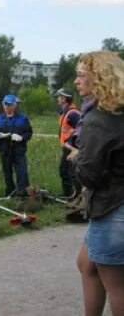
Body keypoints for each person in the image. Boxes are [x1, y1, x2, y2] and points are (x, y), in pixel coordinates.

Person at [69, 51, 124, 316]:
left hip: (113, 207)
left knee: (117, 286)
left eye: (81, 75)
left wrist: (77, 157)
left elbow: (89, 176)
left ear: (99, 78)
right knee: (86, 264)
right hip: (117, 203)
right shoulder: (119, 111)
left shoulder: (97, 119)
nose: (76, 81)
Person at [0, 94, 33, 197]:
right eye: (5, 104)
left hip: (19, 151)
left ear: (15, 105)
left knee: (22, 173)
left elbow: (29, 132)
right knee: (7, 173)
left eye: (9, 104)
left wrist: (22, 138)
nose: (7, 106)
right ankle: (10, 193)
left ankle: (22, 194)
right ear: (2, 104)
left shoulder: (23, 118)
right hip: (4, 151)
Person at [55, 88, 81, 197]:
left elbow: (82, 131)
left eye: (59, 97)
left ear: (64, 99)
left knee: (72, 173)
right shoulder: (64, 112)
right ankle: (67, 196)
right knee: (64, 171)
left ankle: (76, 197)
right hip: (67, 148)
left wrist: (72, 144)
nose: (57, 98)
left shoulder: (73, 114)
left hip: (73, 149)